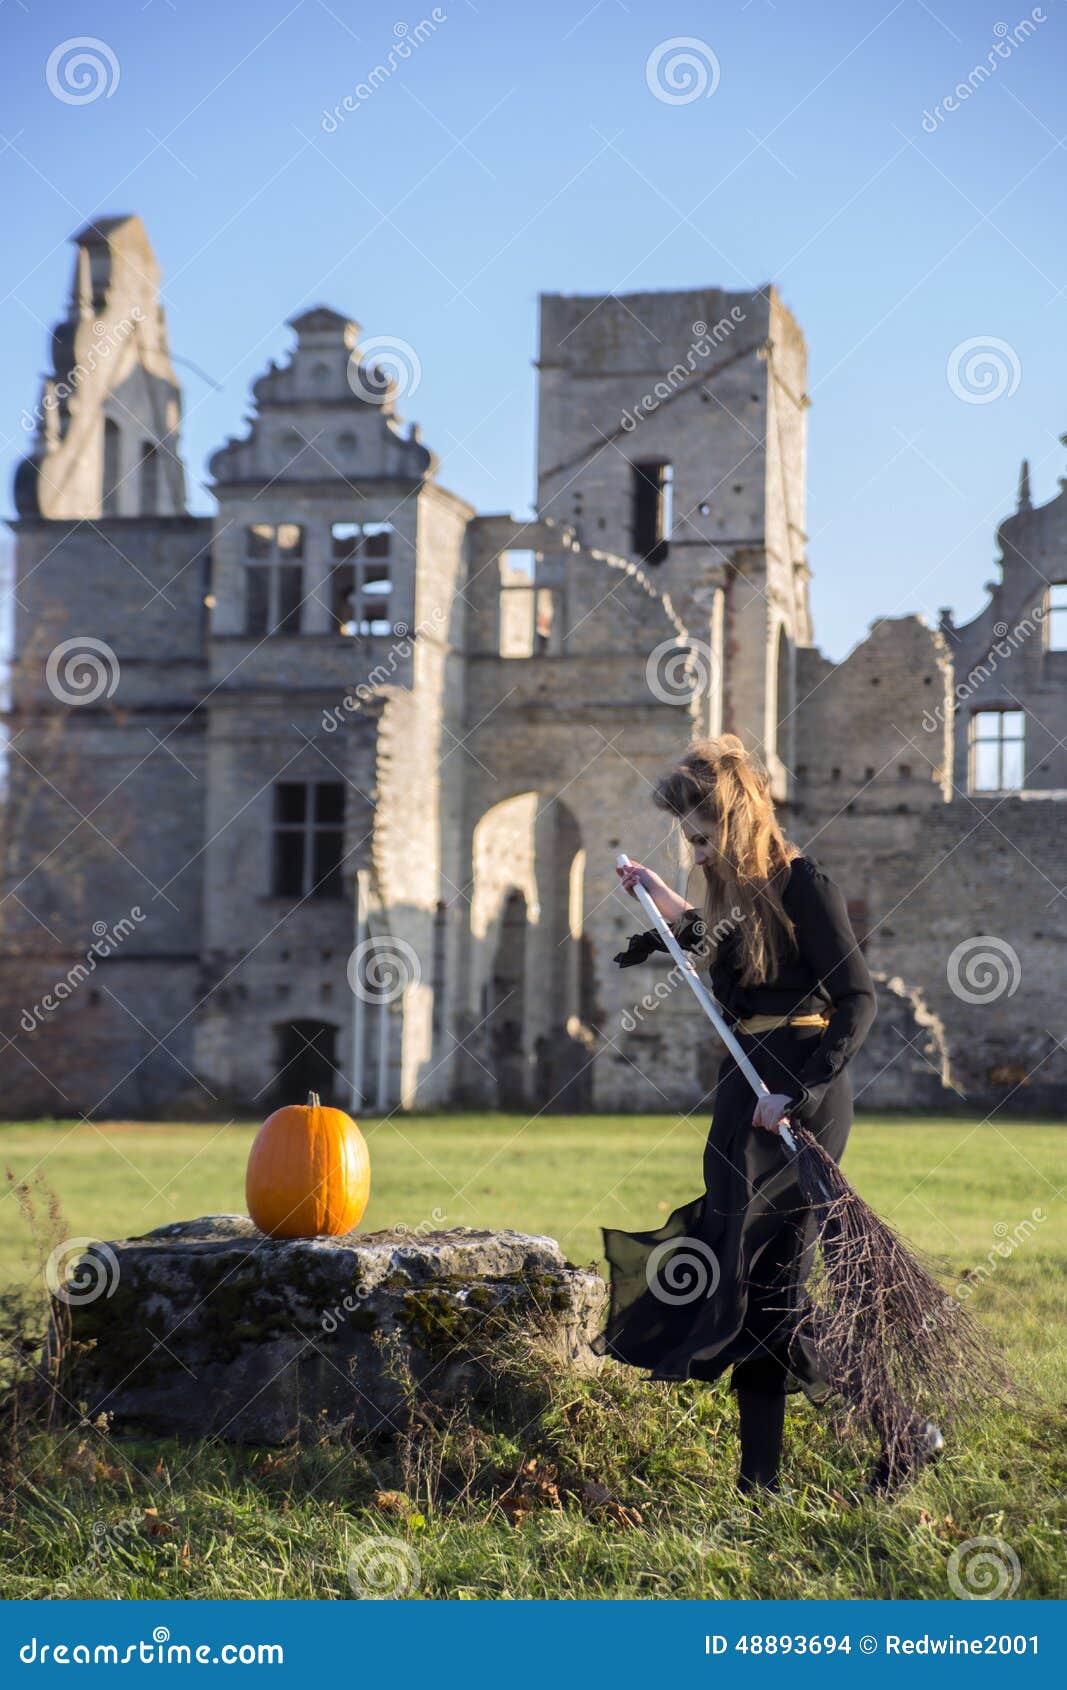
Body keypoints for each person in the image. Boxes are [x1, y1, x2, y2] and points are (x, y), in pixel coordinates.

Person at [598, 734, 942, 1497]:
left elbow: (856, 997)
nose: (692, 853)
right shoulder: (735, 898)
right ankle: (759, 1486)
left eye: (697, 837)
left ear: (734, 820)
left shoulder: (801, 883)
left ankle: (904, 1432)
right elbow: (724, 956)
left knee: (775, 1292)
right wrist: (656, 895)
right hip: (745, 1091)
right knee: (745, 1289)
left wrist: (804, 1093)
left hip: (796, 1097)